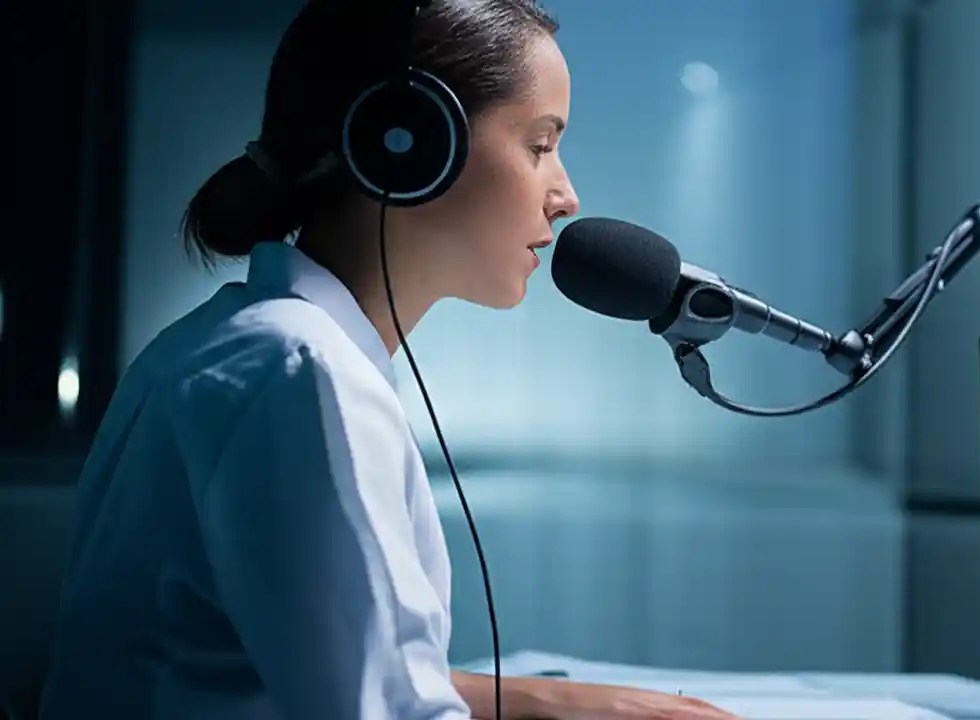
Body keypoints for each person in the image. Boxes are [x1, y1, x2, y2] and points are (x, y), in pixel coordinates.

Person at [37, 1, 740, 718]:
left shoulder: (249, 342)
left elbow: (315, 672)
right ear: (412, 143)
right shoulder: (300, 374)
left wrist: (542, 698)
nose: (566, 197)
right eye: (538, 145)